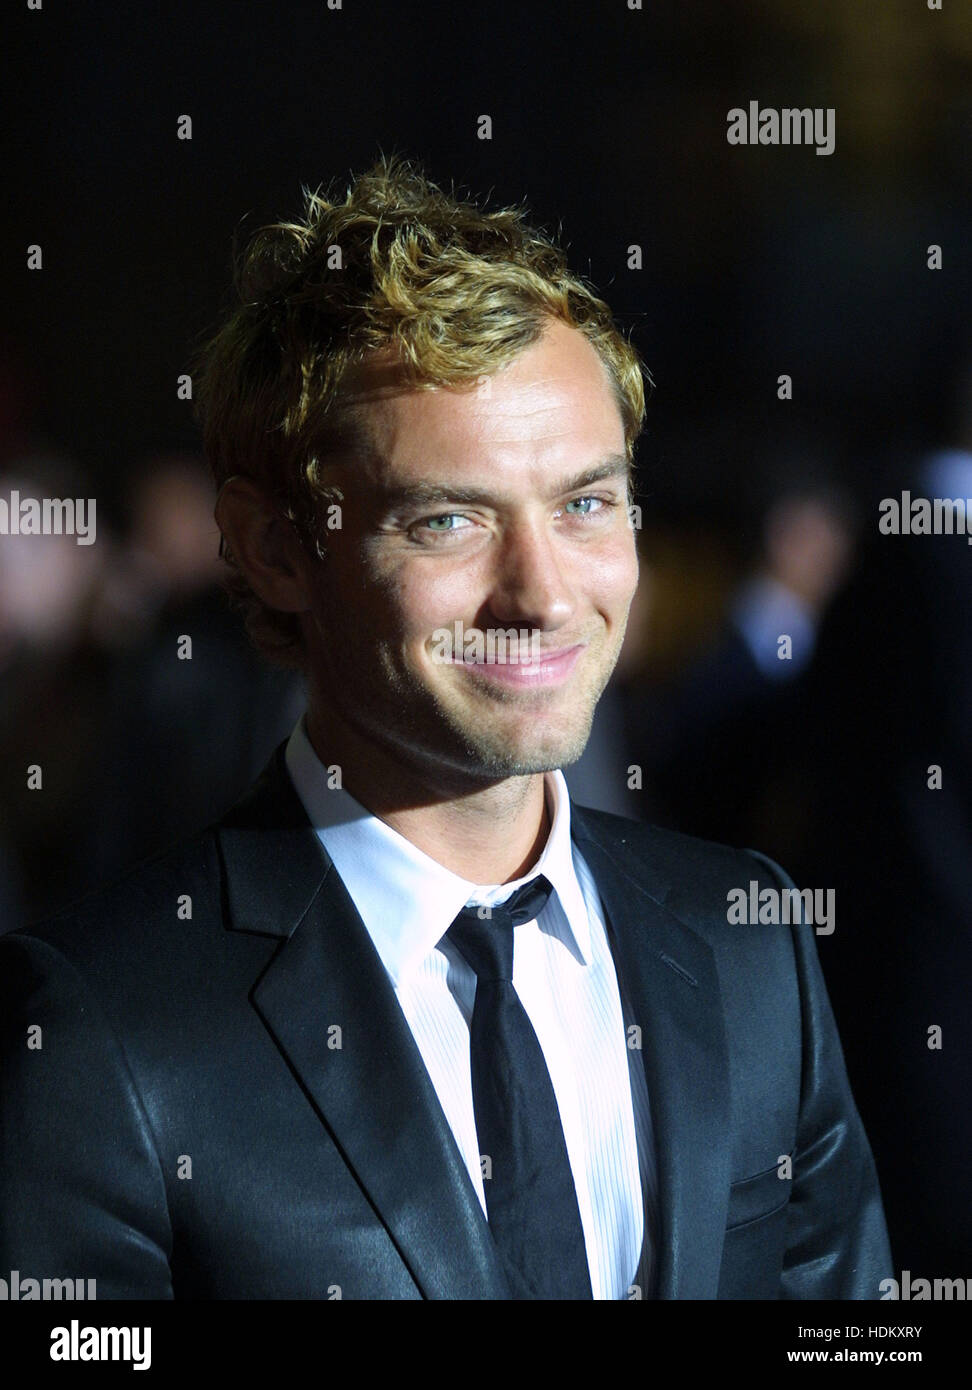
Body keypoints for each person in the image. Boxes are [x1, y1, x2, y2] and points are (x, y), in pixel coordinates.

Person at [0, 156, 891, 1300]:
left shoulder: (746, 943)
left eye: (584, 503)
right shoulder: (102, 1029)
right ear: (277, 549)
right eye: (451, 520)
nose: (544, 592)